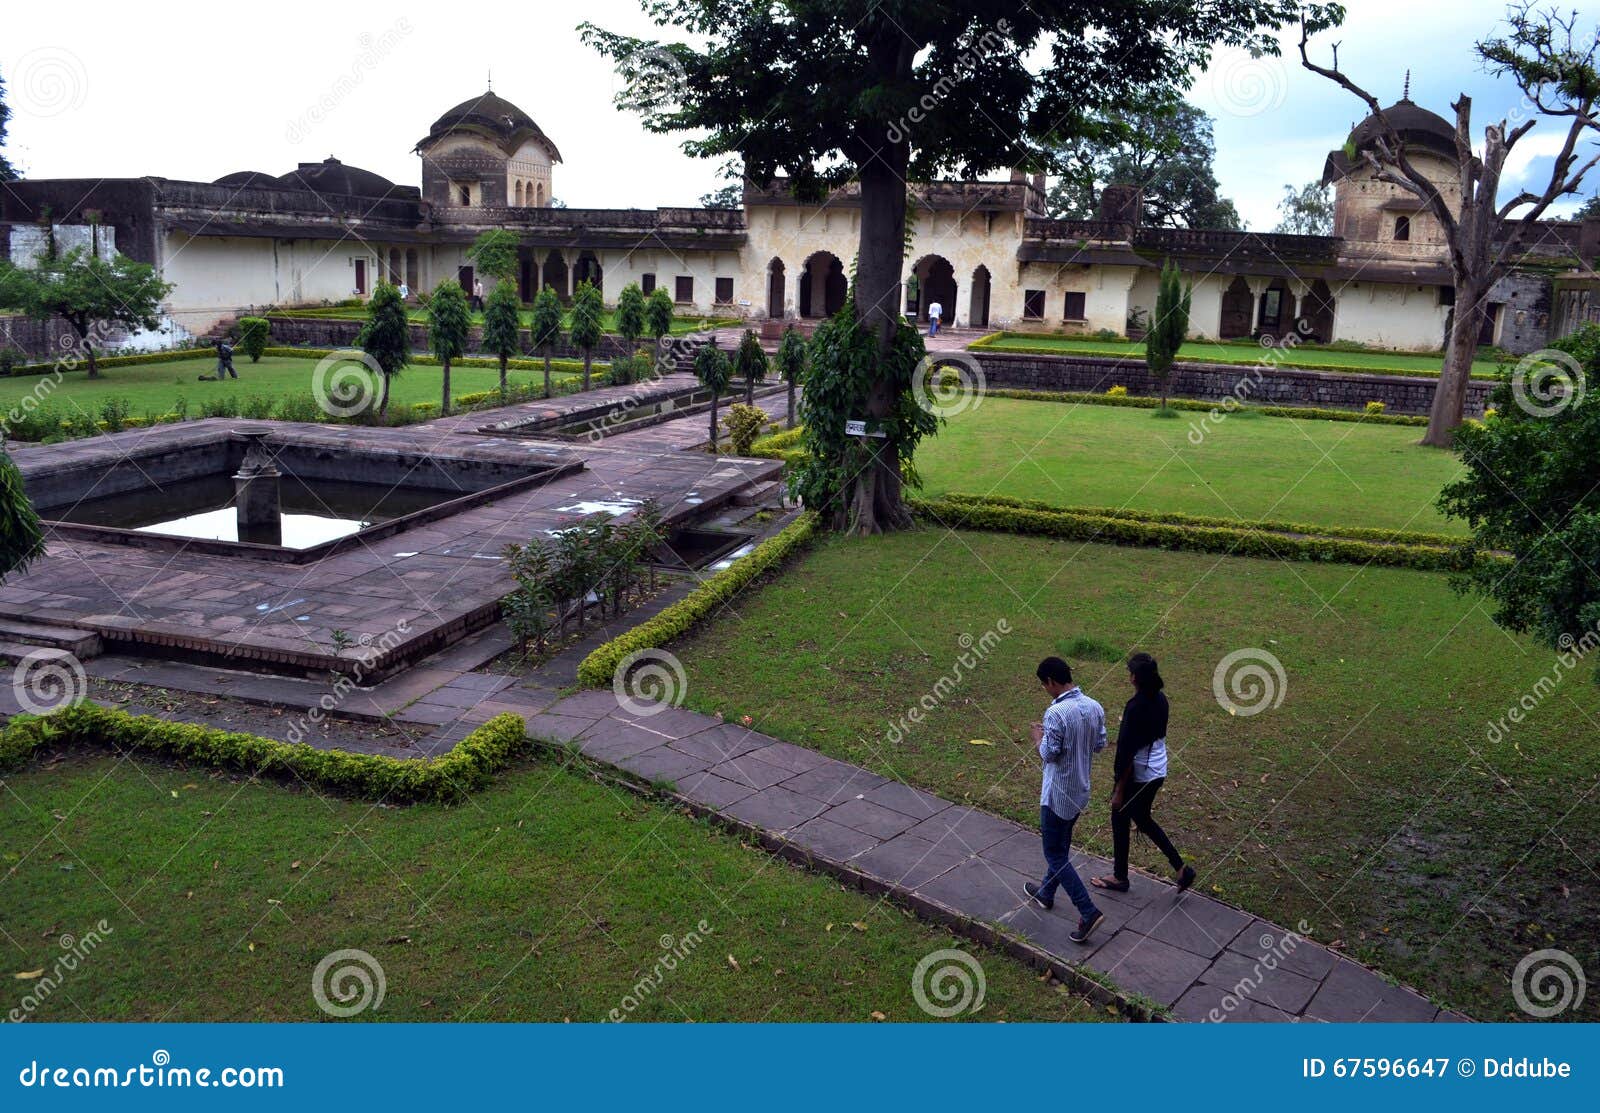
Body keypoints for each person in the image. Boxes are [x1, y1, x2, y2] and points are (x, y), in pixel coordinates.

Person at [1093, 652, 1196, 894]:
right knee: (1142, 817)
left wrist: (1119, 789)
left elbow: (1127, 752)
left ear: (1134, 678)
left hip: (1139, 773)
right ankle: (1182, 869)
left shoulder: (1135, 707)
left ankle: (1120, 877)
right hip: (1158, 769)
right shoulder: (1161, 700)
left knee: (1120, 816)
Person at [1024, 656, 1107, 943]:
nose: (1045, 690)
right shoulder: (1095, 706)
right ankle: (1046, 893)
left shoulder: (1056, 714)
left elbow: (1049, 754)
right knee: (1061, 846)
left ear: (1051, 681)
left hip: (1057, 792)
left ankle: (1088, 911)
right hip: (1080, 790)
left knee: (1054, 853)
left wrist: (1039, 737)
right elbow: (1100, 744)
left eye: (1044, 685)